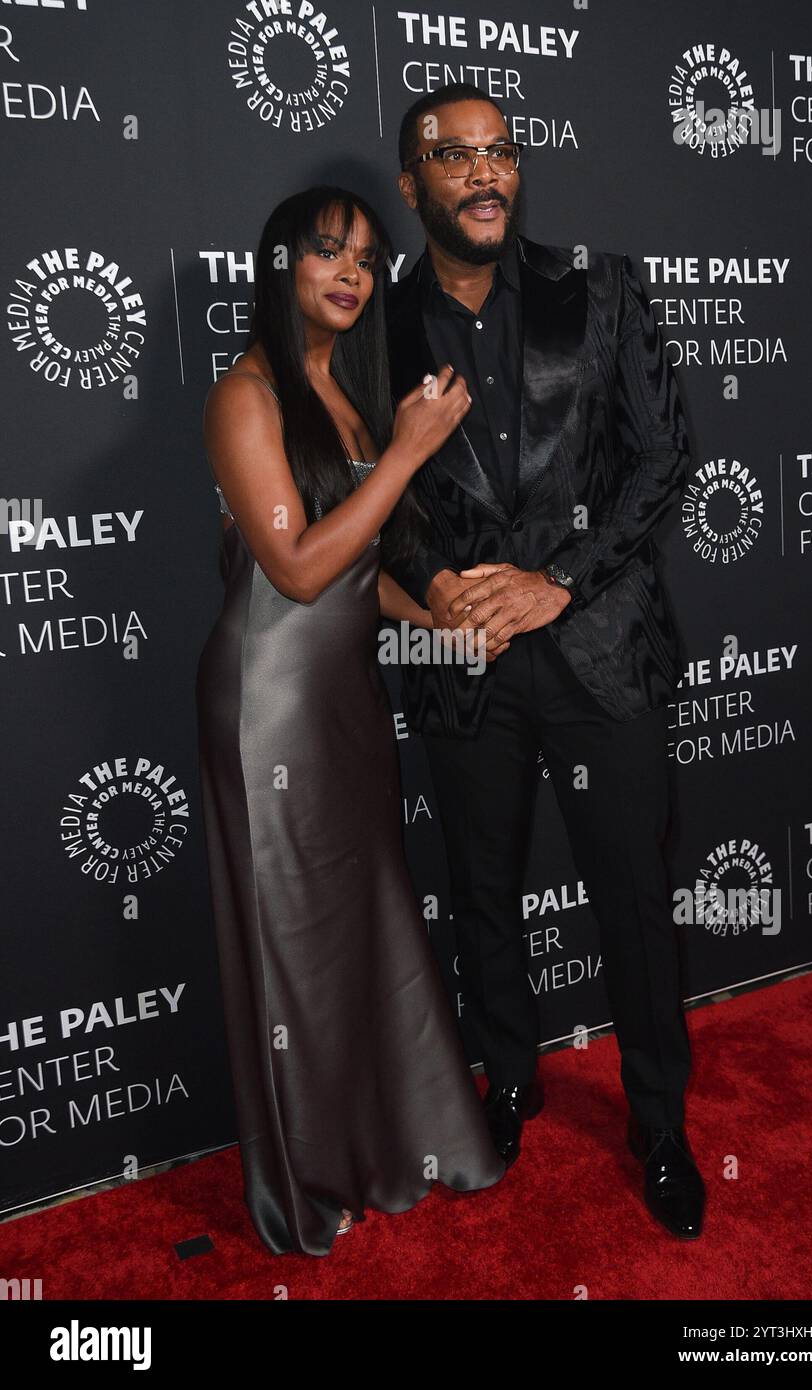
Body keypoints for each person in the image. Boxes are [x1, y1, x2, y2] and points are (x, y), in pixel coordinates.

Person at [384, 84, 706, 1239]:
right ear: (411, 180)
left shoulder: (602, 287)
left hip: (598, 644)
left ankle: (660, 1126)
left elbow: (661, 456)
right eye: (453, 155)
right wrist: (434, 590)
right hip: (464, 653)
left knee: (631, 897)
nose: (483, 172)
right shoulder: (376, 323)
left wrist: (558, 581)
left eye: (500, 152)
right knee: (479, 894)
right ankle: (507, 1085)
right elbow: (376, 499)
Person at [195, 185, 506, 1258]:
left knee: (367, 918)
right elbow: (293, 565)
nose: (351, 273)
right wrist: (410, 453)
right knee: (293, 946)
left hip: (344, 698)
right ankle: (310, 1172)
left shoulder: (348, 395)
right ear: (279, 264)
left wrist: (437, 614)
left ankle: (399, 1143)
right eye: (327, 251)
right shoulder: (247, 394)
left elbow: (356, 572)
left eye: (367, 259)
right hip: (267, 705)